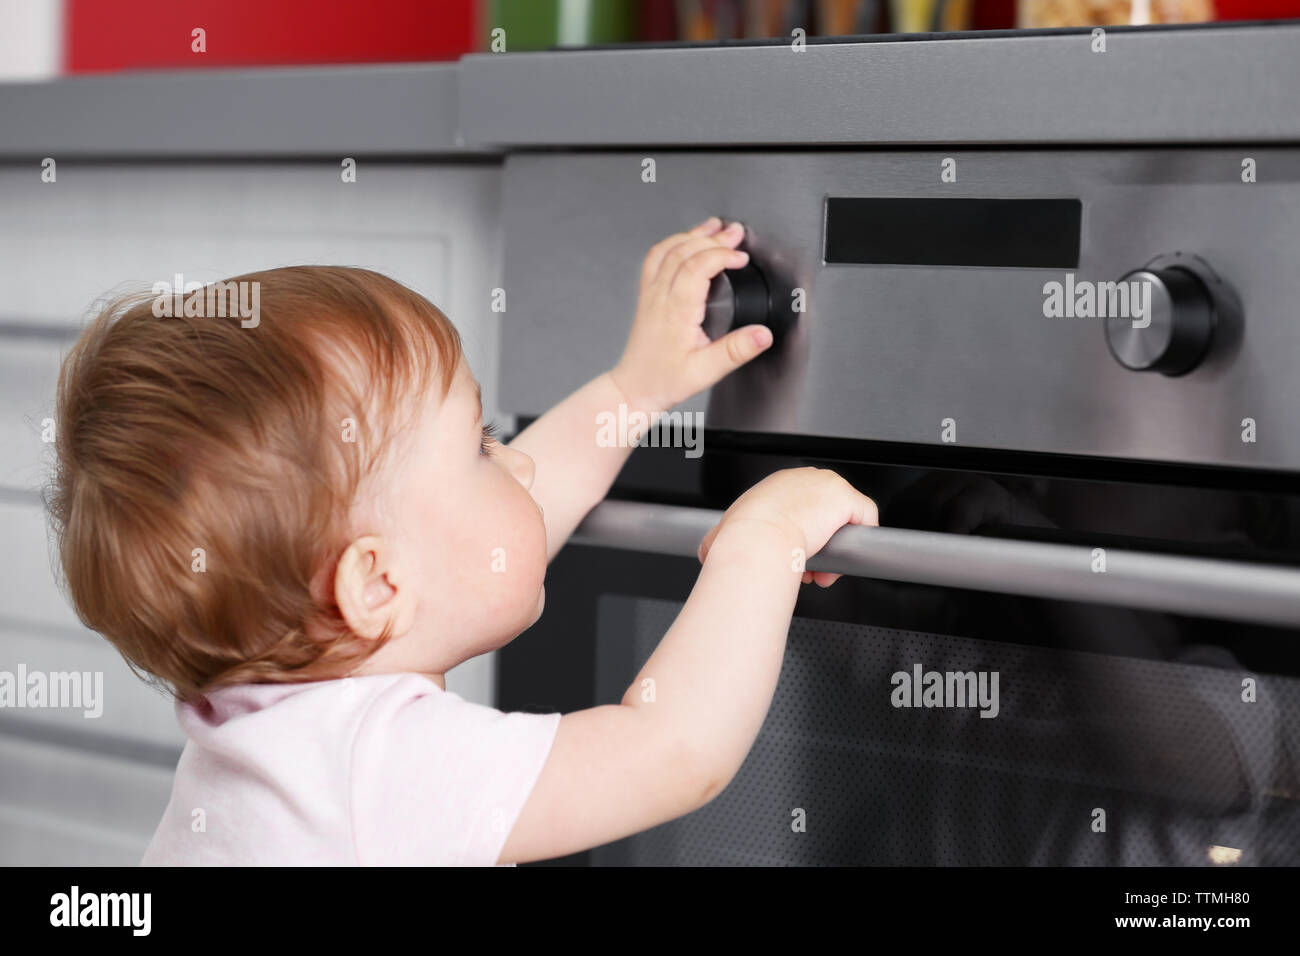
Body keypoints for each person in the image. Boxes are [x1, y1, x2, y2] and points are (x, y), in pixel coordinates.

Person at [48, 216, 876, 865]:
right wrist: (760, 543)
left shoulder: (268, 736)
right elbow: (672, 752)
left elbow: (485, 538)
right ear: (373, 586)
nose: (514, 459)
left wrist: (638, 386)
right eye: (478, 446)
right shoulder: (374, 767)